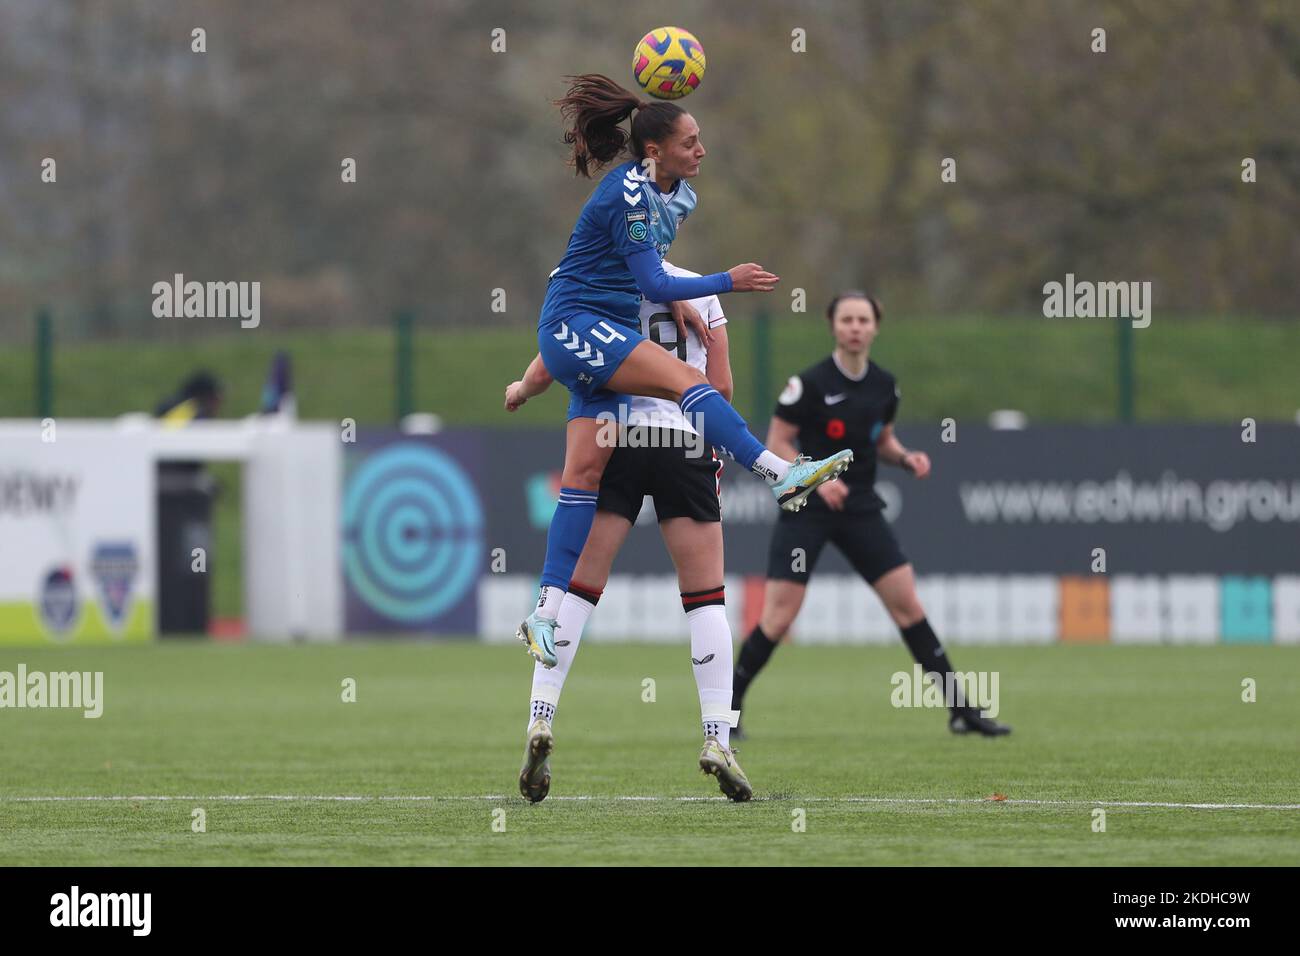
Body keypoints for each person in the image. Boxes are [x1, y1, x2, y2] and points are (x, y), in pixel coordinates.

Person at [517, 74, 853, 671]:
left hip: (598, 326)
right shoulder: (630, 192)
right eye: (690, 141)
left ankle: (543, 611)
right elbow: (647, 278)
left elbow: (644, 272)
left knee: (583, 476)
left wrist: (670, 294)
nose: (702, 149)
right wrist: (725, 281)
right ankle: (778, 474)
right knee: (687, 384)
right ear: (655, 151)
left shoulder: (675, 197)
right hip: (577, 322)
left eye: (700, 139)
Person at [506, 262, 752, 803]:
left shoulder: (589, 274)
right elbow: (723, 385)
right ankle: (717, 737)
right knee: (706, 598)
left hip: (611, 432)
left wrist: (522, 389)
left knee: (577, 590)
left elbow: (554, 358)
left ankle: (541, 717)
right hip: (684, 437)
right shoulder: (701, 290)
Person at [730, 291, 1012, 737]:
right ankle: (729, 711)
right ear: (832, 326)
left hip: (860, 507)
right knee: (779, 617)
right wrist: (820, 479)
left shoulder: (885, 386)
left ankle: (962, 710)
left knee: (908, 606)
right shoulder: (808, 384)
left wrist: (906, 458)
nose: (856, 327)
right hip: (808, 506)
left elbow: (882, 441)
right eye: (847, 320)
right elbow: (777, 442)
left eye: (864, 320)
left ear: (876, 327)